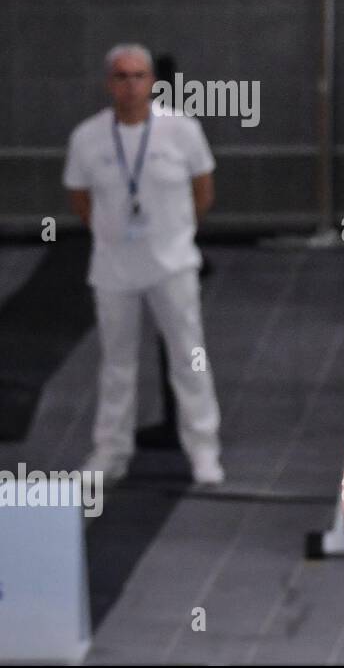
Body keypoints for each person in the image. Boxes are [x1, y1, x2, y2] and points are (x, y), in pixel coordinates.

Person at [63, 44, 224, 486]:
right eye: (121, 77)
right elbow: (79, 197)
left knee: (189, 357)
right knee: (116, 363)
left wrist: (178, 234)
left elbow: (202, 190)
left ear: (151, 82)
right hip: (114, 269)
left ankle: (204, 451)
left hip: (172, 265)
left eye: (138, 76)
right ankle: (109, 453)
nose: (130, 85)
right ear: (108, 84)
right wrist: (110, 233)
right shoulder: (88, 137)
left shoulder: (182, 131)